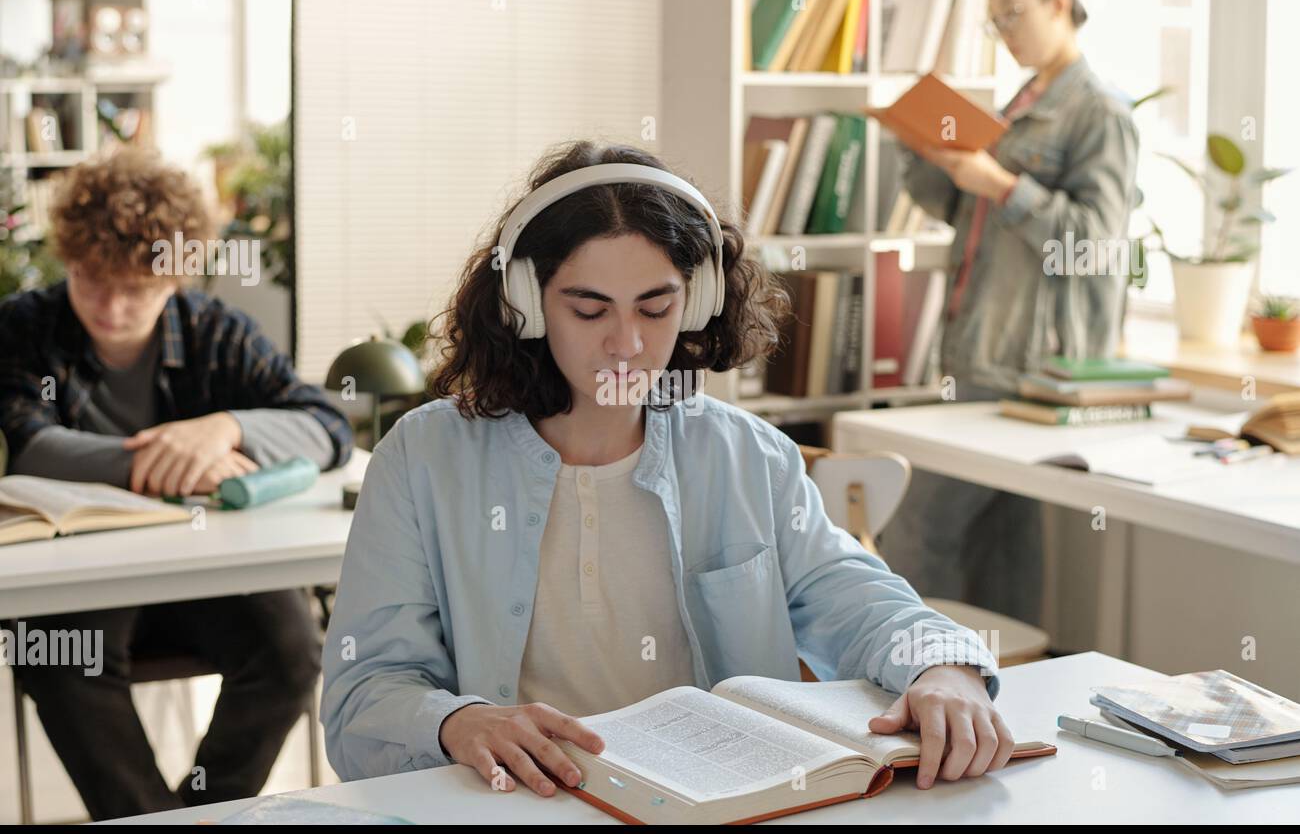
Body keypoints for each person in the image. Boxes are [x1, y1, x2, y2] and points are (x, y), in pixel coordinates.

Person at [321, 140, 1016, 799]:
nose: (626, 344)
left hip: (719, 805)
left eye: (655, 307)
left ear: (701, 299)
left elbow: (861, 602)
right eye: (588, 309)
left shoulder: (747, 456)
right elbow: (362, 697)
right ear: (524, 305)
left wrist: (944, 667)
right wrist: (458, 722)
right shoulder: (422, 459)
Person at [0, 148, 353, 820]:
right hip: (79, 568)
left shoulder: (215, 331)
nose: (110, 305)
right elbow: (22, 442)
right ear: (68, 259)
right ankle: (148, 824)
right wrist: (156, 459)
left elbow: (326, 425)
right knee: (55, 659)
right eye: (90, 280)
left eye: (136, 287)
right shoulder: (24, 327)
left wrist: (224, 429)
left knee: (290, 650)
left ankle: (201, 813)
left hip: (207, 568)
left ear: (177, 277)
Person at [878, 0, 1140, 626]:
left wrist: (999, 183)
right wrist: (924, 151)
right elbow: (965, 217)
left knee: (918, 529)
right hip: (978, 348)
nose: (1006, 32)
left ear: (1059, 4)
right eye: (996, 20)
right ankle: (997, 701)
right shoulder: (1017, 106)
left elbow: (1095, 242)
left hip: (1031, 367)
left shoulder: (1100, 113)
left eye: (1015, 14)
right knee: (1002, 546)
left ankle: (913, 674)